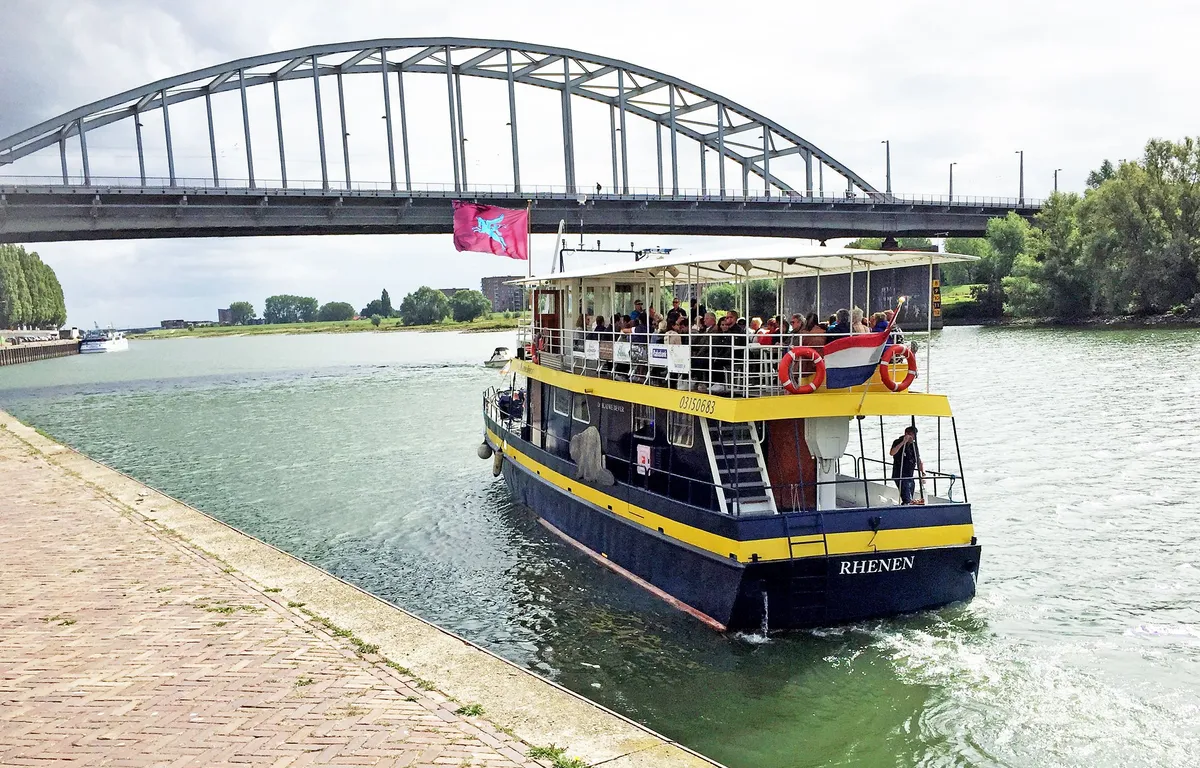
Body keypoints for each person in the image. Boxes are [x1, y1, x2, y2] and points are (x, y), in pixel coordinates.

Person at [889, 426, 925, 505]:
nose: (913, 437)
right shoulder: (897, 442)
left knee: (910, 495)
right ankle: (906, 507)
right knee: (907, 498)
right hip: (900, 474)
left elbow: (918, 459)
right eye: (912, 435)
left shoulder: (913, 445)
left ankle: (908, 505)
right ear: (906, 434)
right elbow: (892, 453)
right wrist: (903, 442)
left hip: (909, 475)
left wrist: (923, 473)